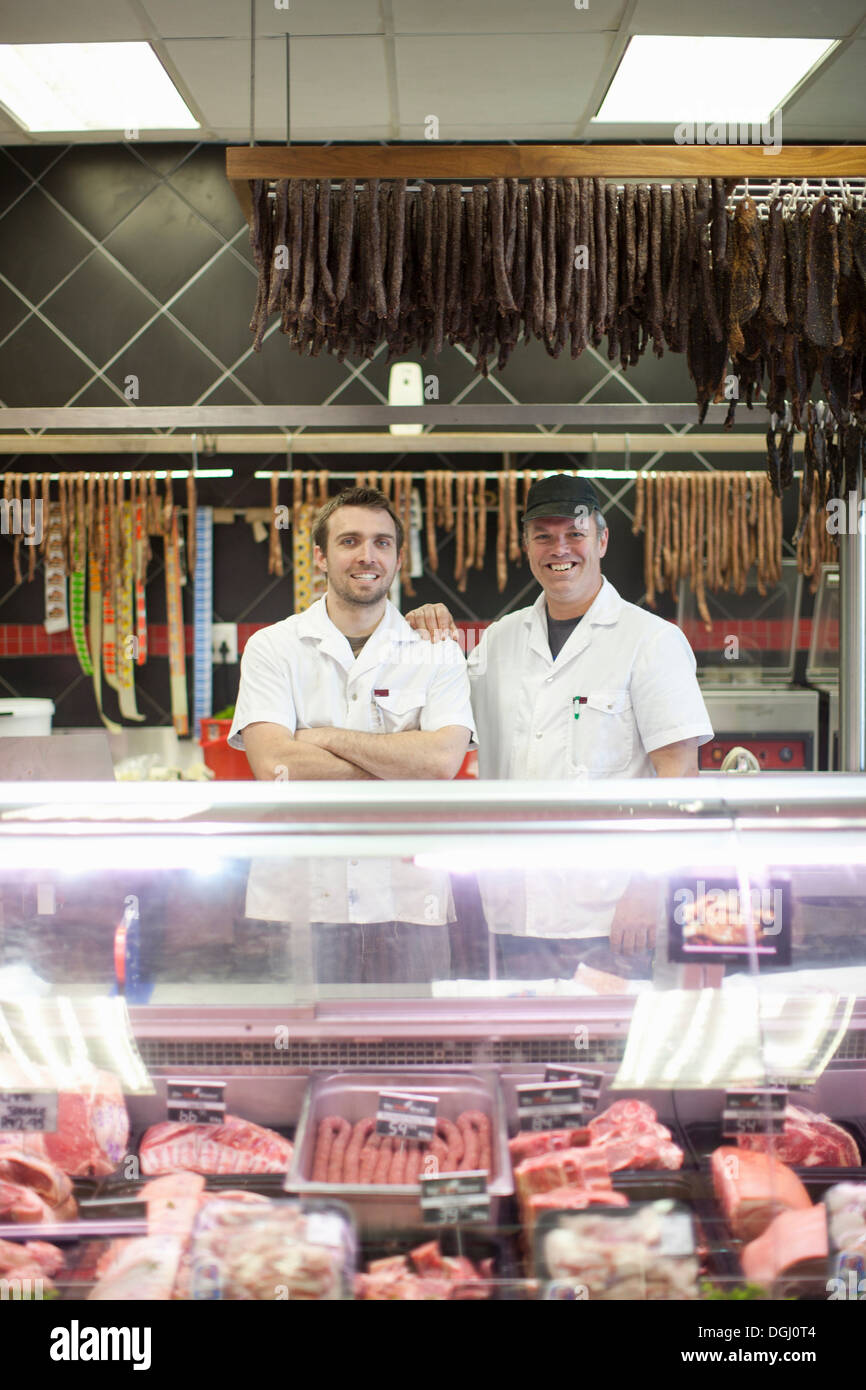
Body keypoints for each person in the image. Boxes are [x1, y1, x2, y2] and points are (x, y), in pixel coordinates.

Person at [406, 472, 714, 979]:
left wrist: (645, 890)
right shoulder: (500, 640)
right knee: (520, 1052)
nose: (560, 549)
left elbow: (680, 780)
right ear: (526, 545)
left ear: (602, 539)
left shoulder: (650, 641)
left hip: (608, 912)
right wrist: (419, 635)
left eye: (574, 533)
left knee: (603, 1055)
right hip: (508, 907)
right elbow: (440, 726)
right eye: (543, 536)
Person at [228, 486, 475, 985]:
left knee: (416, 1055)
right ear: (320, 556)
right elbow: (275, 765)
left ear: (399, 557)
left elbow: (440, 764)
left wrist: (320, 737)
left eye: (382, 543)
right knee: (302, 1058)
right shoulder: (273, 647)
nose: (368, 555)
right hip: (298, 903)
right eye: (350, 541)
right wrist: (398, 762)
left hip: (409, 900)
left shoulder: (436, 650)